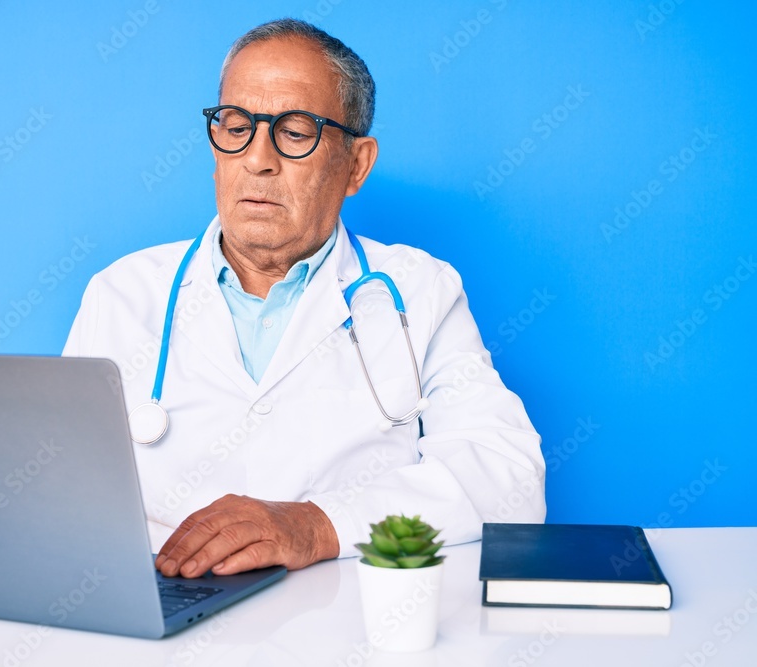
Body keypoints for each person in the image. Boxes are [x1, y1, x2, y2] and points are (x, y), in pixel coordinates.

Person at [63, 19, 545, 579]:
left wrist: (316, 525)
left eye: (294, 132)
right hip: (164, 620)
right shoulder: (121, 292)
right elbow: (61, 492)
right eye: (237, 125)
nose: (257, 158)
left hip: (348, 629)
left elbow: (510, 477)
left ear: (356, 165)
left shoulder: (419, 291)